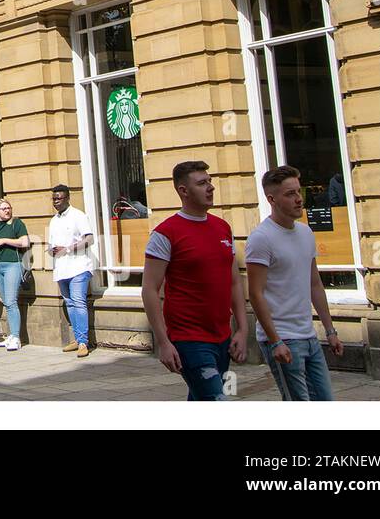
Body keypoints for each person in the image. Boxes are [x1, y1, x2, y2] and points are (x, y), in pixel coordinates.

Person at [141, 160, 248, 401]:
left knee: (202, 398)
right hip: (189, 339)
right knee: (216, 399)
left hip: (222, 336)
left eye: (210, 181)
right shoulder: (165, 233)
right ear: (183, 191)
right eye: (202, 183)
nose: (210, 187)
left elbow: (233, 282)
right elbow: (149, 290)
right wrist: (163, 342)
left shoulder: (223, 228)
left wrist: (242, 328)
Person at [246, 165, 343, 401]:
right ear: (272, 199)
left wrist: (330, 331)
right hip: (282, 337)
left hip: (308, 335)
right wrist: (274, 340)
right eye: (290, 194)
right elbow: (256, 294)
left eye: (298, 192)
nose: (299, 199)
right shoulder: (261, 238)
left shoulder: (305, 232)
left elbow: (314, 284)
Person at [47, 184, 96, 357]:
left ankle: (83, 342)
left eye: (59, 198)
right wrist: (52, 249)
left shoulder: (78, 216)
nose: (56, 202)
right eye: (53, 199)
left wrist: (68, 248)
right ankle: (77, 338)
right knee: (69, 303)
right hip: (62, 268)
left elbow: (89, 239)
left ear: (67, 198)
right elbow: (51, 244)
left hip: (79, 267)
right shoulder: (54, 220)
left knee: (78, 301)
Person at [0, 198, 30, 351]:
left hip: (13, 265)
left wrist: (5, 240)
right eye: (4, 209)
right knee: (6, 302)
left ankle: (16, 337)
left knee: (11, 301)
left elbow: (25, 243)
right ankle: (11, 335)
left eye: (9, 208)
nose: (7, 210)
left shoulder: (17, 224)